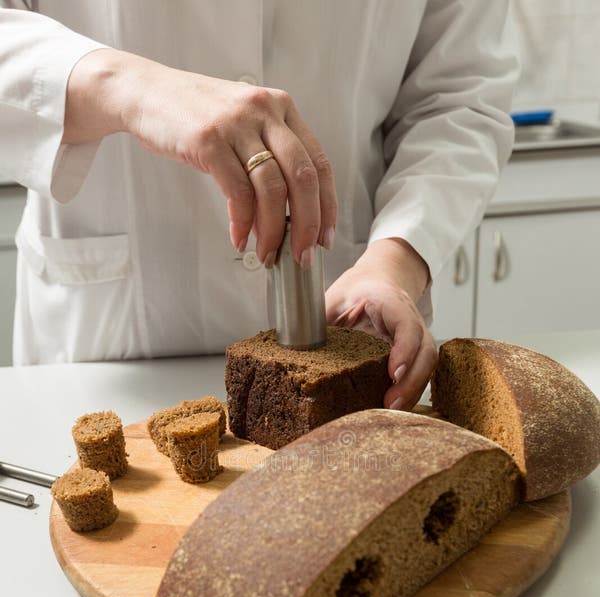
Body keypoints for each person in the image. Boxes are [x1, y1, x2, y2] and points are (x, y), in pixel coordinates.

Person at [0, 1, 517, 410]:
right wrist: (128, 87)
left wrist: (395, 262)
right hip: (102, 362)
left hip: (350, 337)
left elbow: (460, 98)